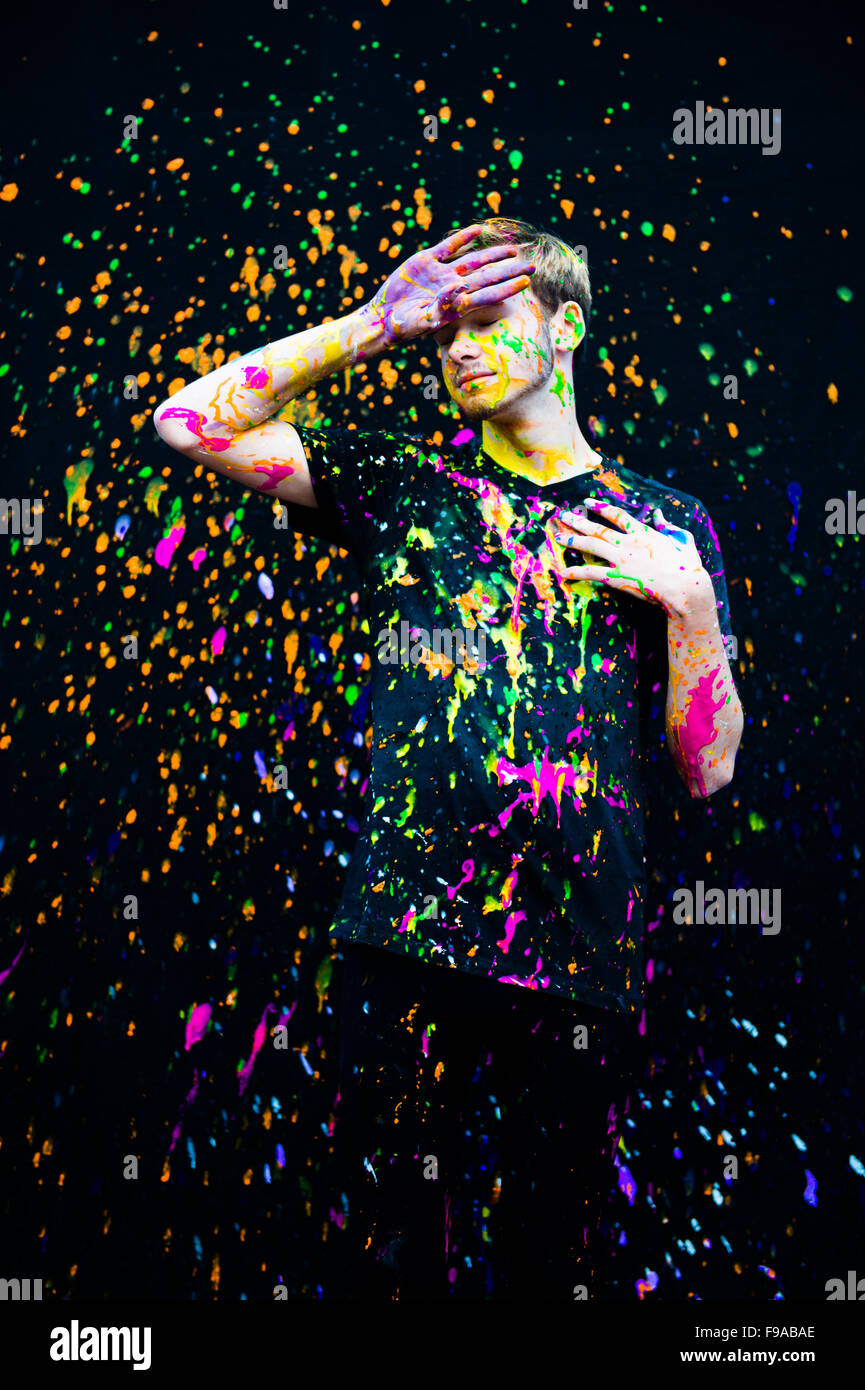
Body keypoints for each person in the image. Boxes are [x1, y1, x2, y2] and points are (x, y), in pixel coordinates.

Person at [154, 216, 744, 1300]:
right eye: (445, 332)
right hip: (404, 944)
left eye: (490, 322)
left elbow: (706, 768)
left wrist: (692, 606)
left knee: (551, 1262)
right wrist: (372, 325)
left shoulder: (667, 524)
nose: (458, 349)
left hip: (578, 962)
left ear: (564, 329)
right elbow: (188, 422)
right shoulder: (405, 483)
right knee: (380, 1256)